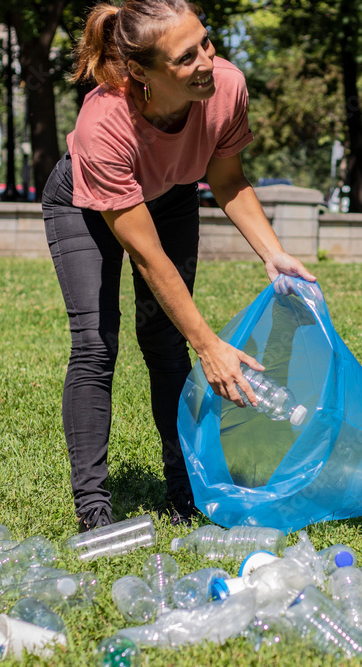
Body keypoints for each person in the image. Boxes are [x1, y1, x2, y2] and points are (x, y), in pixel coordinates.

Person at [42, 0, 316, 532]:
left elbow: (228, 177)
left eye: (207, 44)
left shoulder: (226, 87)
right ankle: (95, 513)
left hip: (169, 194)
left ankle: (184, 493)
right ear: (141, 73)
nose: (207, 62)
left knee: (165, 342)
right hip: (86, 203)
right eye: (186, 57)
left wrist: (272, 250)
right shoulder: (104, 123)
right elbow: (147, 257)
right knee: (97, 345)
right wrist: (209, 344)